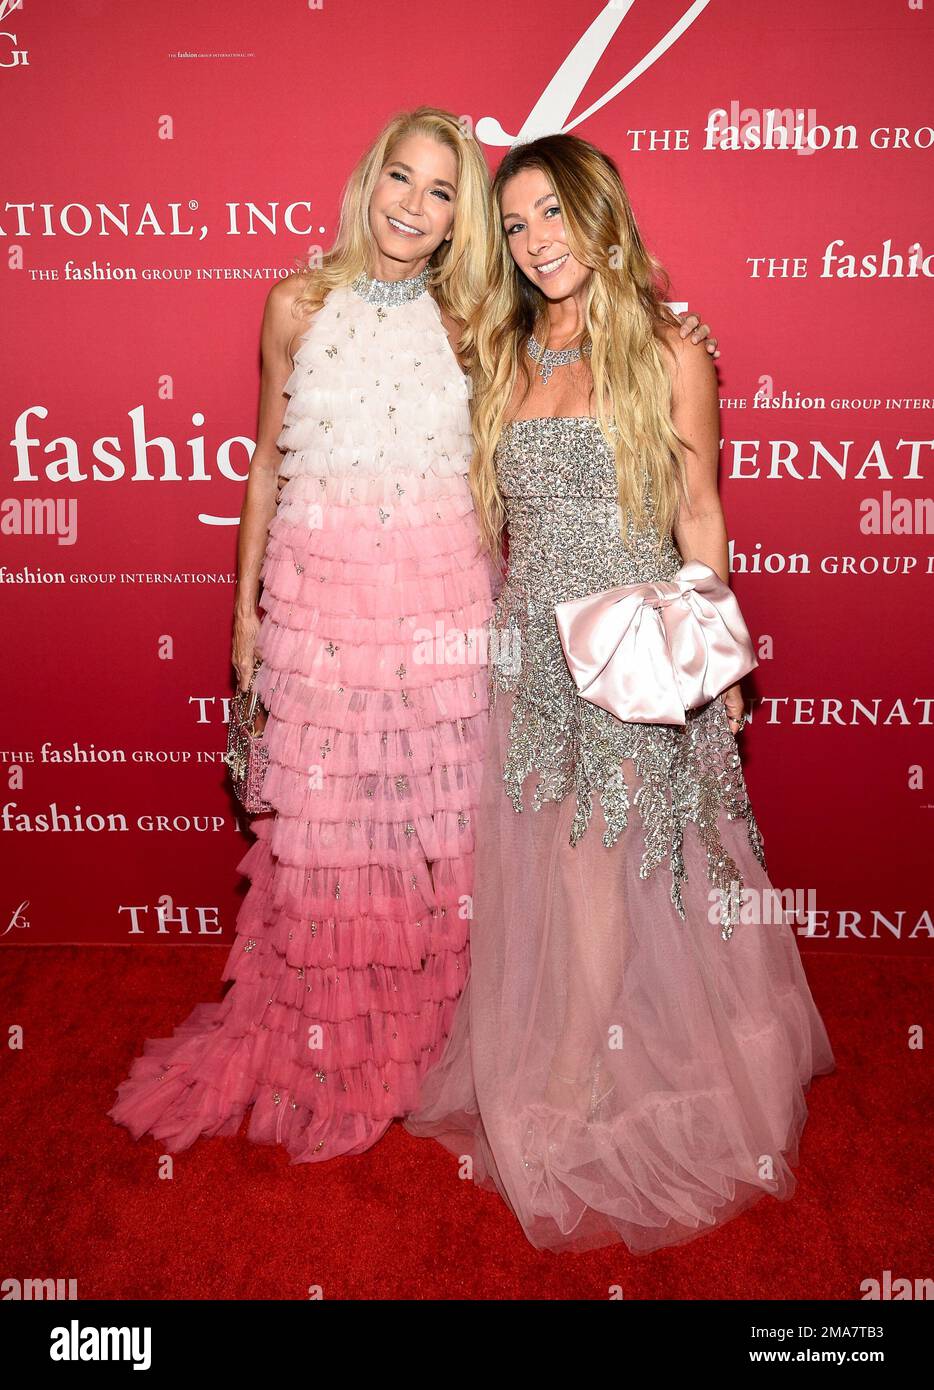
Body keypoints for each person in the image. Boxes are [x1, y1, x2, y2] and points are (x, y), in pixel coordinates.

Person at [108, 109, 717, 1165]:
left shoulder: (469, 323)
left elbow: (608, 366)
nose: (414, 205)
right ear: (368, 178)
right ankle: (319, 1041)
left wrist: (677, 329)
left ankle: (444, 1041)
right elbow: (265, 464)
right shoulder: (295, 305)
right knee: (326, 843)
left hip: (448, 622)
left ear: (456, 224)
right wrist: (244, 616)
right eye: (403, 178)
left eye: (443, 193)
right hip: (325, 620)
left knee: (446, 851)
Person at [404, 133, 835, 1254]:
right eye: (515, 224)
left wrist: (719, 655)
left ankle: (560, 1087)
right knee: (547, 863)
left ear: (600, 216)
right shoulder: (507, 347)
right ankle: (570, 1049)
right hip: (528, 655)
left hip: (631, 650)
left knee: (600, 869)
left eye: (552, 215)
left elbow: (698, 515)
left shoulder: (665, 347)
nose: (536, 241)